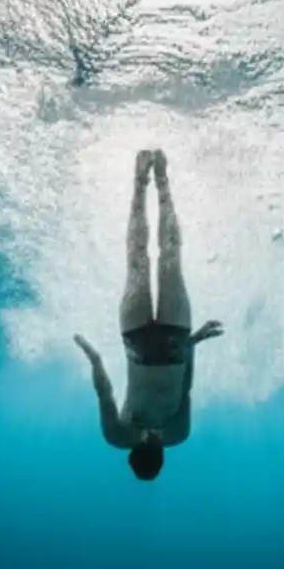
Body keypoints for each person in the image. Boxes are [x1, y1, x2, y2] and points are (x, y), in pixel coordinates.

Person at [74, 149, 224, 481]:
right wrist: (194, 341)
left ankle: (139, 181)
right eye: (155, 439)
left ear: (133, 447)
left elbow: (104, 393)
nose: (150, 433)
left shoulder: (116, 435)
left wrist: (95, 358)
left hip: (137, 345)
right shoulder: (179, 434)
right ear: (162, 450)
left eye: (144, 439)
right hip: (174, 344)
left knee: (137, 260)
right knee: (171, 257)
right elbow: (185, 389)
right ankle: (163, 180)